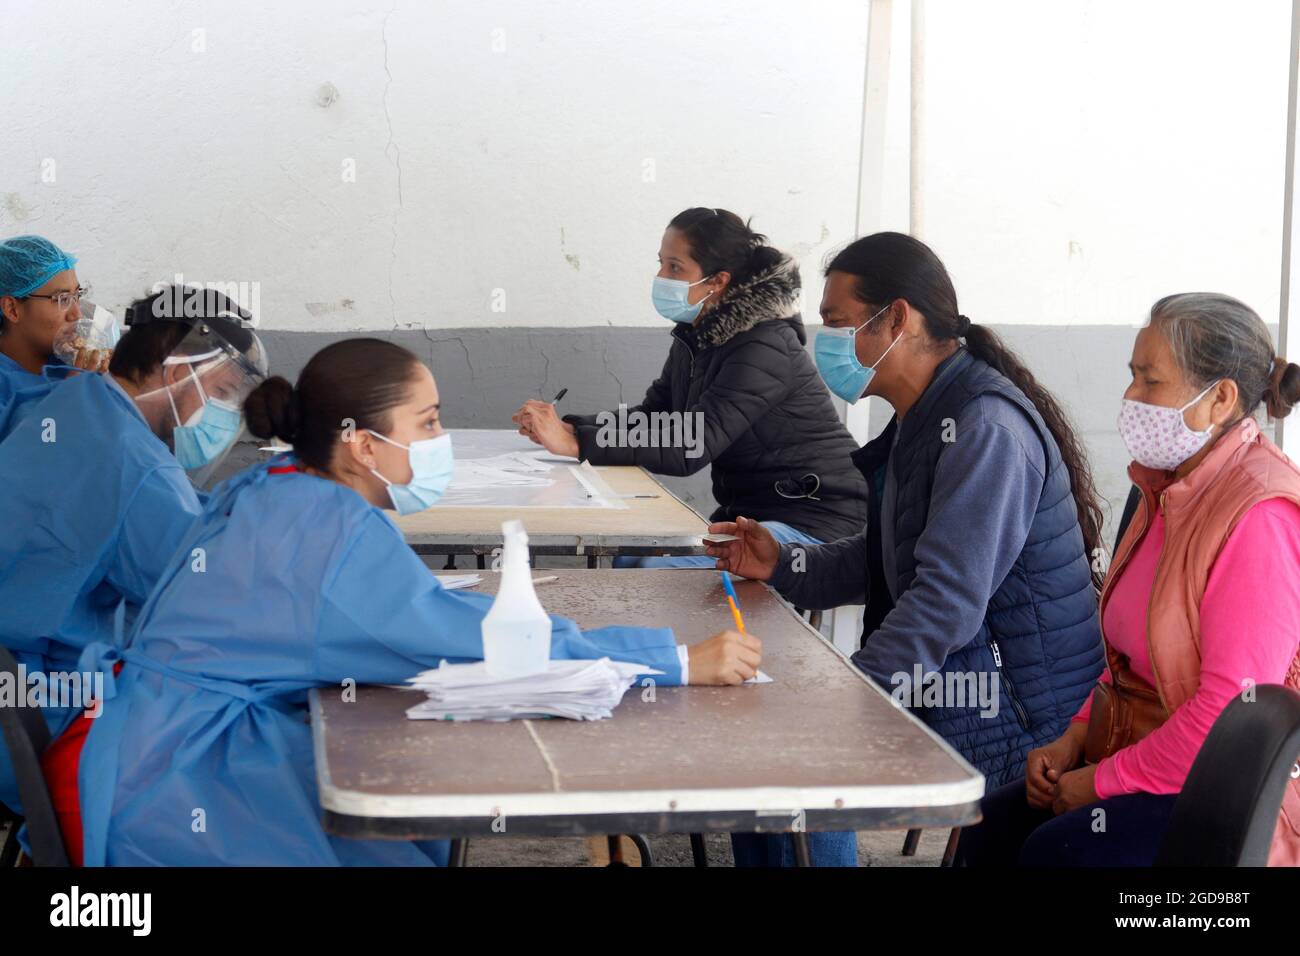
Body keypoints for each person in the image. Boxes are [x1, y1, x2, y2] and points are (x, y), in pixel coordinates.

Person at [46, 338, 763, 866]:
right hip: (174, 783)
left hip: (145, 737)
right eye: (427, 423)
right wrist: (669, 658)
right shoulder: (325, 531)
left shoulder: (278, 486)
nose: (441, 440)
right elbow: (495, 643)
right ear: (361, 445)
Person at [707, 233, 1106, 864]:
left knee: (798, 752)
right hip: (954, 673)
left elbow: (945, 601)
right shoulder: (923, 415)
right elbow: (891, 560)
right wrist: (784, 562)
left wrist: (854, 695)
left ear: (896, 318)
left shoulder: (984, 428)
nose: (827, 346)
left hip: (1015, 707)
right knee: (762, 739)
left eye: (838, 324)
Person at [956, 293, 1300, 867]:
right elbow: (1128, 654)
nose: (1130, 397)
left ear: (1220, 398)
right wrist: (1075, 736)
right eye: (1132, 375)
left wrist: (1100, 782)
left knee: (1057, 855)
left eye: (1150, 379)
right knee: (989, 831)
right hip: (1143, 753)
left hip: (1226, 790)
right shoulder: (1166, 487)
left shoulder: (1259, 513)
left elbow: (1228, 714)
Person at [0, 286, 266, 815]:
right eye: (223, 391)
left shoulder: (75, 404)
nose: (225, 413)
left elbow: (174, 515)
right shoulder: (133, 462)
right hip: (49, 717)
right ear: (176, 371)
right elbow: (208, 599)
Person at [512, 208, 867, 568]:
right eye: (661, 264)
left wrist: (576, 444)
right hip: (751, 517)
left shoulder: (764, 345)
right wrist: (570, 426)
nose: (660, 276)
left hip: (818, 523)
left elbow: (690, 445)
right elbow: (653, 416)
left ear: (717, 281)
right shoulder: (697, 337)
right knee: (631, 555)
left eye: (675, 267)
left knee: (657, 573)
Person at [0, 236, 109, 406]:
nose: (77, 315)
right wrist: (66, 401)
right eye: (62, 299)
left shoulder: (75, 363)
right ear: (12, 309)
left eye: (77, 295)